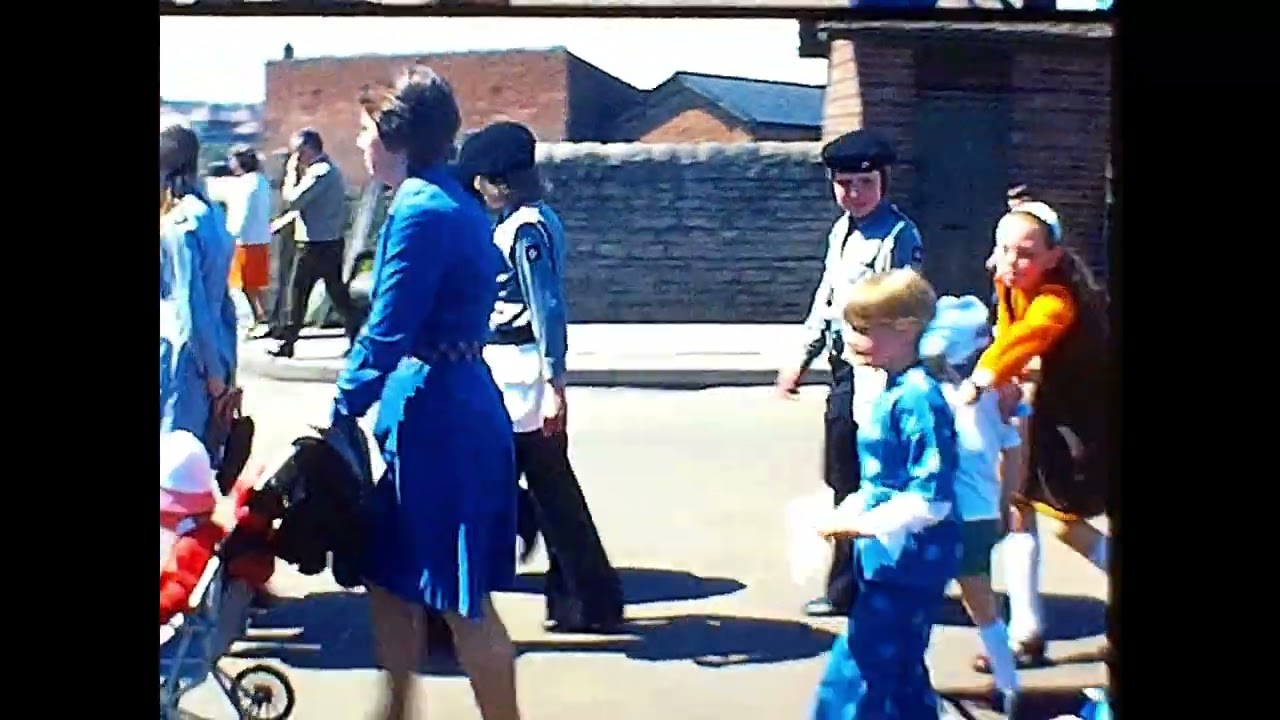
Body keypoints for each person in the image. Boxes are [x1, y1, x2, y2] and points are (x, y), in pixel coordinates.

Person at [329, 65, 521, 720]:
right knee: (390, 579)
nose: (359, 143)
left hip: (440, 416)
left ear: (393, 132)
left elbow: (387, 330)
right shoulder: (450, 197)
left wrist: (340, 402)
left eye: (364, 129)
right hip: (451, 400)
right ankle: (393, 711)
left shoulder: (419, 208)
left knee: (461, 599)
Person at [459, 120, 624, 633]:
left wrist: (555, 383)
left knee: (543, 488)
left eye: (481, 181)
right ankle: (581, 596)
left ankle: (585, 595)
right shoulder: (527, 219)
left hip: (520, 371)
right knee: (547, 489)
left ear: (499, 181)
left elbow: (545, 306)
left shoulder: (524, 228)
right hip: (510, 367)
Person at [775, 129, 924, 618]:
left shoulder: (900, 238)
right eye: (843, 184)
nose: (853, 194)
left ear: (883, 181)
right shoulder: (841, 231)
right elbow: (827, 300)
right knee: (843, 476)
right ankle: (851, 582)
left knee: (877, 477)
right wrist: (802, 357)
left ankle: (863, 586)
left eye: (863, 183)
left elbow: (904, 311)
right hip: (845, 370)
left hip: (880, 373)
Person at [959, 201, 1110, 673]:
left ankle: (1026, 634)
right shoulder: (1008, 280)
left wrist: (985, 378)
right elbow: (1008, 330)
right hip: (1044, 412)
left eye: (1025, 253)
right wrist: (1010, 385)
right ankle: (1026, 635)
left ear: (1053, 256)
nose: (1011, 261)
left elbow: (1027, 337)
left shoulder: (1059, 298)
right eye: (1004, 249)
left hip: (1082, 421)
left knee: (1065, 522)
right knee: (1019, 510)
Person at [812, 268, 962, 720]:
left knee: (860, 670)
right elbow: (881, 478)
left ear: (905, 329)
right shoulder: (896, 389)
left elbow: (931, 496)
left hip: (909, 559)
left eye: (862, 329)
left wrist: (861, 523)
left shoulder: (917, 398)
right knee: (900, 669)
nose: (850, 338)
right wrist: (853, 509)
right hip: (893, 557)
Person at [920, 295, 1028, 718]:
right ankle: (1009, 684)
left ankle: (919, 692)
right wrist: (1009, 502)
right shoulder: (998, 396)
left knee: (918, 601)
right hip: (983, 512)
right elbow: (1013, 449)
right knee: (980, 602)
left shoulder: (941, 397)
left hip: (946, 514)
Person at [160, 123, 240, 460]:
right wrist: (224, 363)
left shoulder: (180, 224)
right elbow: (223, 302)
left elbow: (190, 307)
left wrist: (214, 375)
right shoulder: (211, 214)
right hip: (214, 352)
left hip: (185, 360)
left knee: (174, 469)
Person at [270, 128, 362, 358]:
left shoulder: (319, 172)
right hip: (323, 241)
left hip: (317, 244)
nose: (296, 158)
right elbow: (308, 206)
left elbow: (294, 199)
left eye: (298, 152)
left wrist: (290, 174)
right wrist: (284, 222)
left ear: (309, 149)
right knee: (333, 293)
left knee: (300, 292)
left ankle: (289, 342)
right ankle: (357, 337)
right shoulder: (323, 171)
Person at [223, 146, 274, 330]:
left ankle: (261, 318)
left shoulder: (245, 184)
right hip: (260, 237)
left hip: (246, 240)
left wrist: (231, 233)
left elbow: (240, 213)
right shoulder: (261, 181)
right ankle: (263, 317)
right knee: (255, 283)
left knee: (247, 284)